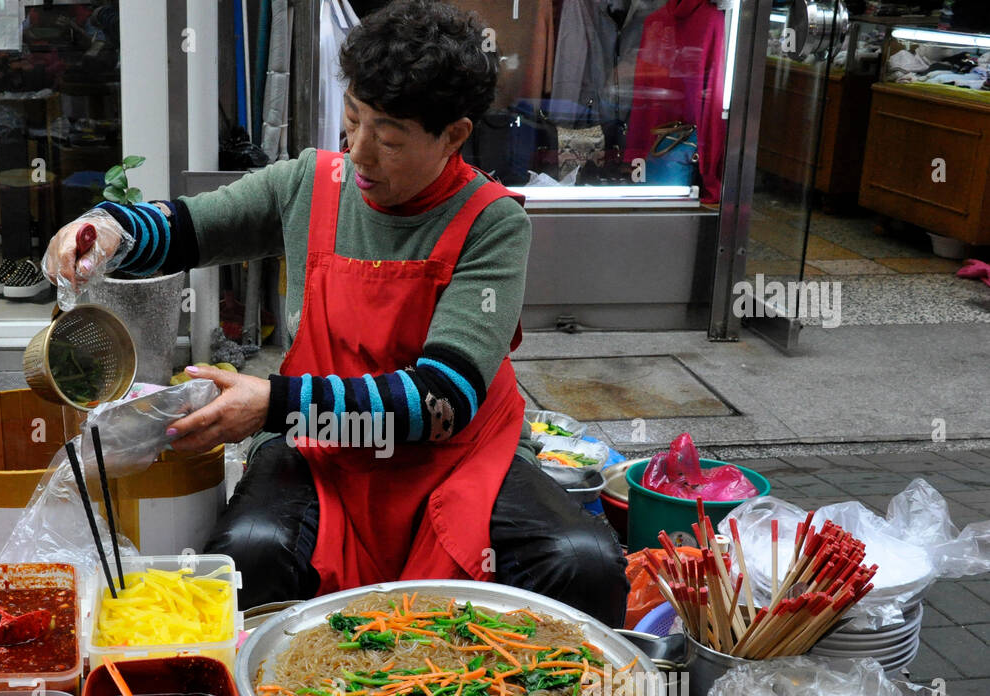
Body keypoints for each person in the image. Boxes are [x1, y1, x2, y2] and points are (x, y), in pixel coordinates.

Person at [44, 0, 628, 626]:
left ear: (454, 135)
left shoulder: (490, 223)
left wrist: (273, 403)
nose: (360, 154)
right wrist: (109, 230)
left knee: (584, 560)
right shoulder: (311, 184)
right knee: (248, 556)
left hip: (455, 456)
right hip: (323, 447)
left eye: (390, 139)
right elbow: (189, 227)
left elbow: (443, 399)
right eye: (352, 122)